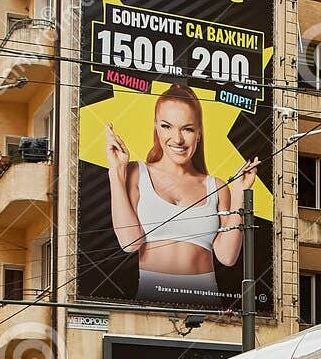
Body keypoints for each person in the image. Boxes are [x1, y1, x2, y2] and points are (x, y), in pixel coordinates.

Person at [104, 85, 259, 302]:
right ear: (156, 127)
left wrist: (240, 193)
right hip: (151, 297)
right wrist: (115, 171)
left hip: (205, 299)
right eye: (167, 126)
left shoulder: (217, 187)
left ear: (199, 133)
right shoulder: (136, 173)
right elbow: (130, 242)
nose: (177, 139)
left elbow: (227, 256)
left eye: (187, 129)